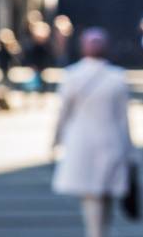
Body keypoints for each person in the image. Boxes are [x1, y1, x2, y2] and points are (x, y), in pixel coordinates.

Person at [51, 28, 138, 237]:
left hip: (82, 142)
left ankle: (96, 233)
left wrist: (55, 140)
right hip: (111, 141)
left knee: (91, 197)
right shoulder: (117, 77)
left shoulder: (72, 75)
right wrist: (131, 150)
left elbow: (63, 113)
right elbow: (124, 119)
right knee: (105, 195)